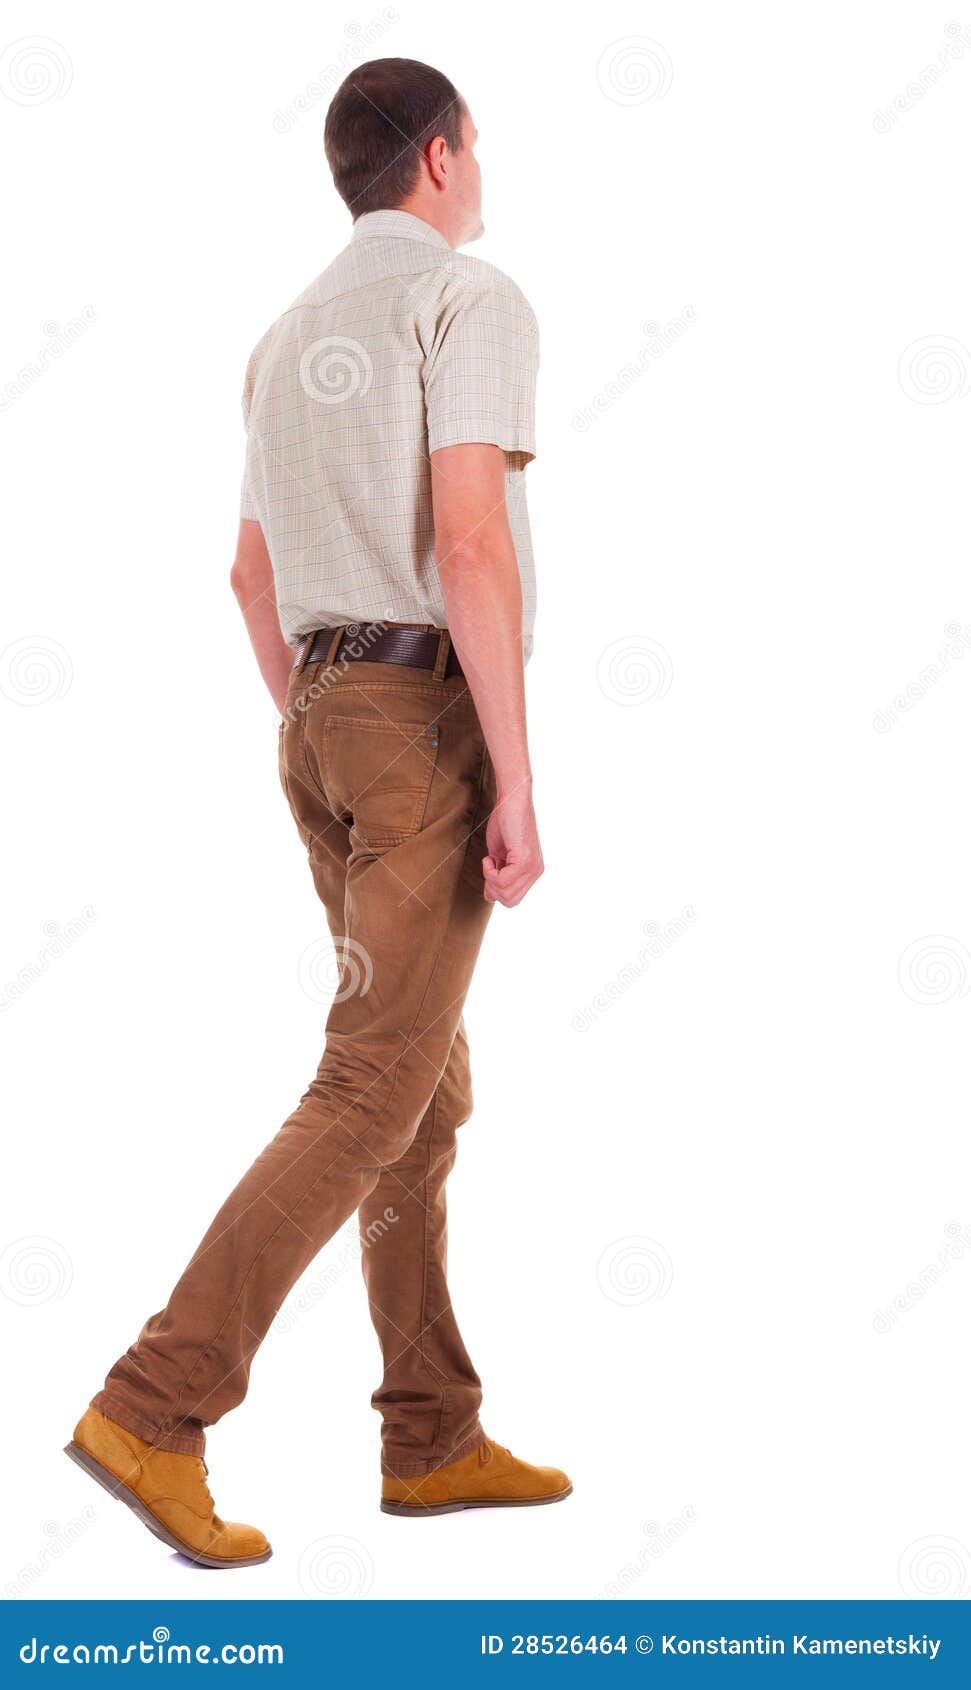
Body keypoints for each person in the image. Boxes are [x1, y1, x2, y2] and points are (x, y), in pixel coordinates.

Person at [66, 56, 570, 1567]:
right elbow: (469, 543)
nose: (480, 174)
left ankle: (429, 1428)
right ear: (438, 159)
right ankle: (156, 1405)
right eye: (474, 149)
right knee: (371, 1087)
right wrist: (514, 769)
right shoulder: (473, 302)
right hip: (423, 722)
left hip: (321, 720)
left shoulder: (286, 336)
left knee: (423, 1086)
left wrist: (319, 716)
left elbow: (247, 577)